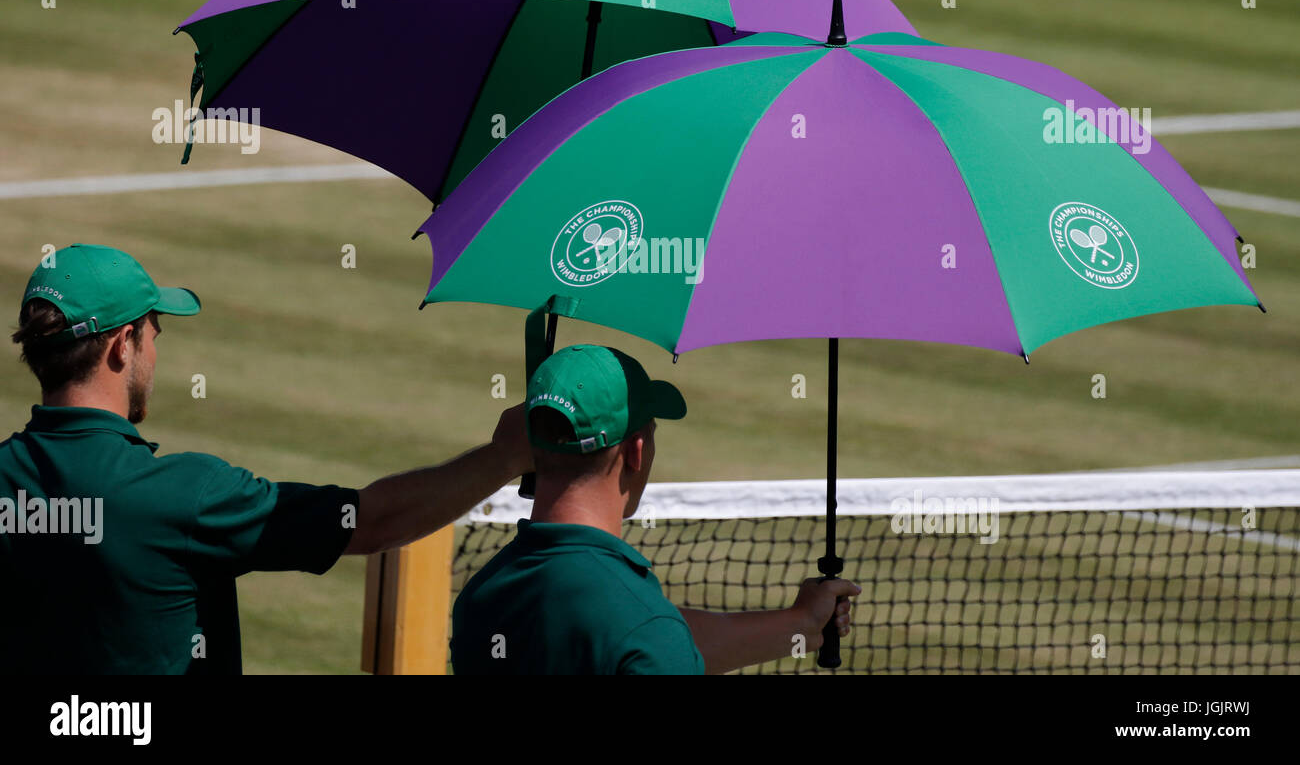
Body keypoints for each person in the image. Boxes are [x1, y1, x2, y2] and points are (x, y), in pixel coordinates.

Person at [0, 244, 531, 674]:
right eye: (154, 329)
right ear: (121, 345)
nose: (156, 346)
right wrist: (506, 456)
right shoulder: (186, 494)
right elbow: (370, 522)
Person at [451, 343, 859, 674]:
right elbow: (643, 634)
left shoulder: (481, 596)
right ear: (636, 451)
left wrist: (801, 626)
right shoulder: (642, 626)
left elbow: (638, 633)